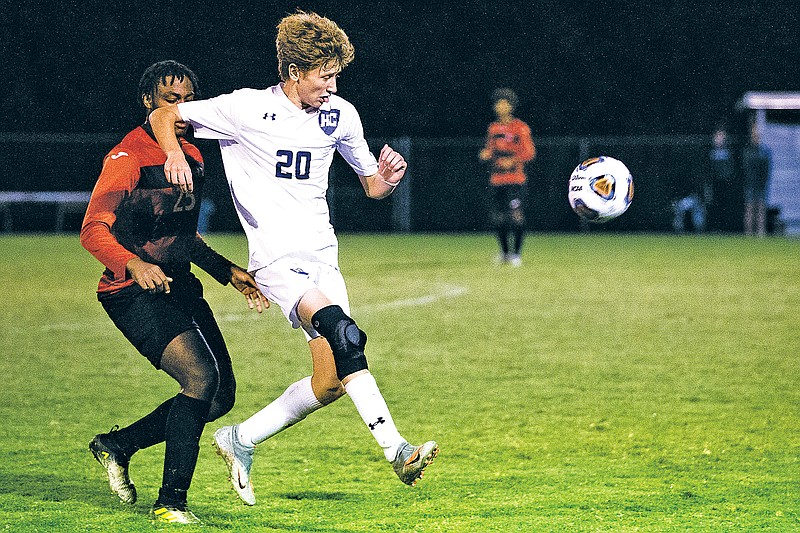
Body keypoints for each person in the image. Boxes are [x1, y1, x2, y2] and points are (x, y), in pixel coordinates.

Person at [149, 11, 438, 506]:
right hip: (277, 259)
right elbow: (163, 116)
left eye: (335, 75)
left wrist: (388, 178)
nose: (332, 84)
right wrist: (174, 152)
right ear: (293, 71)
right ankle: (398, 451)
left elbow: (371, 186)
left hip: (323, 257)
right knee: (345, 332)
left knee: (330, 382)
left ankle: (240, 439)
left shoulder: (340, 114)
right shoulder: (245, 109)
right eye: (324, 75)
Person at [80, 60, 268, 524]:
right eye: (170, 100)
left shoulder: (194, 156)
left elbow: (181, 236)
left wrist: (227, 271)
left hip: (179, 284)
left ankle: (118, 446)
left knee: (220, 396)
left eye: (188, 100)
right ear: (148, 102)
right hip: (131, 290)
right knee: (200, 380)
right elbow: (92, 229)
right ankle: (171, 504)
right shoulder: (127, 158)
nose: (182, 110)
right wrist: (133, 263)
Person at [479, 88, 536, 266]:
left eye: (504, 103)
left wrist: (513, 160)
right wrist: (486, 154)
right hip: (497, 181)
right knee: (498, 218)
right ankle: (504, 254)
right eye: (498, 104)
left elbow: (529, 152)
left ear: (511, 106)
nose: (501, 107)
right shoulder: (493, 128)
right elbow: (490, 149)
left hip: (515, 180)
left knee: (516, 215)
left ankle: (516, 255)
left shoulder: (520, 128)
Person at [742, 120, 772, 236]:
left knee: (760, 210)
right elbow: (746, 169)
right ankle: (749, 233)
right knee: (749, 209)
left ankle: (760, 233)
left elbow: (766, 170)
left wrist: (763, 182)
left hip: (760, 185)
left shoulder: (764, 152)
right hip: (750, 184)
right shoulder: (748, 151)